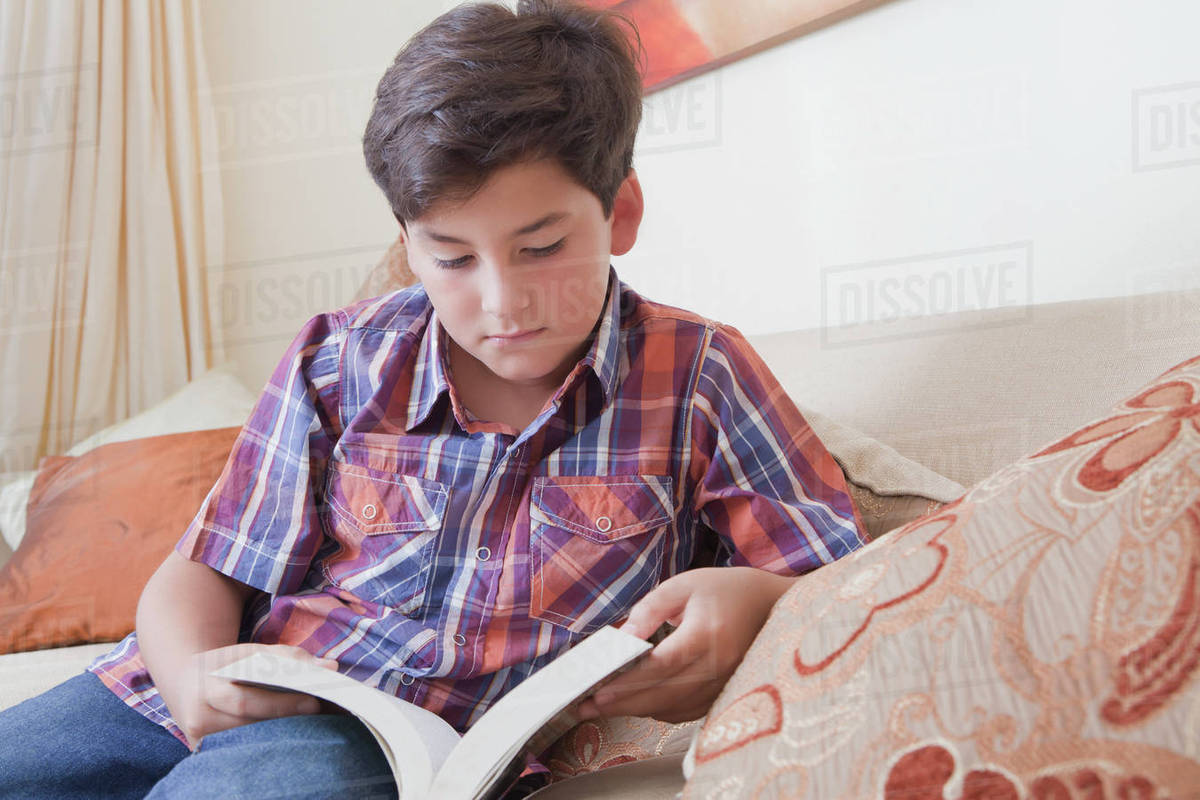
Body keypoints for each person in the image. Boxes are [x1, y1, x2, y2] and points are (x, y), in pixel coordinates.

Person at [0, 1, 865, 797]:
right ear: (408, 245)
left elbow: (837, 572)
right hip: (176, 687)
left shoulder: (698, 373)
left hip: (360, 742)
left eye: (542, 246)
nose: (502, 301)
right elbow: (202, 570)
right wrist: (189, 678)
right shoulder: (340, 359)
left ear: (621, 214)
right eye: (451, 258)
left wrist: (750, 596)